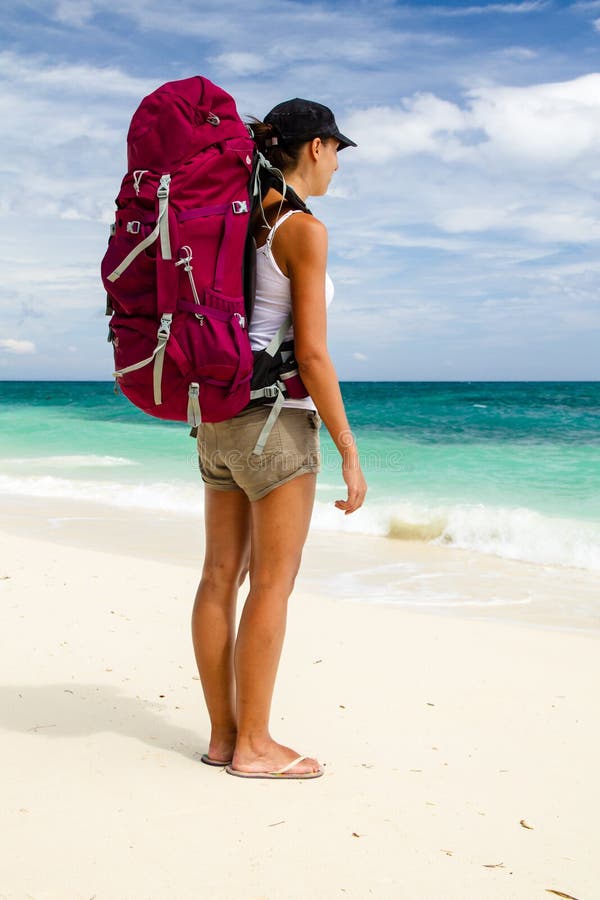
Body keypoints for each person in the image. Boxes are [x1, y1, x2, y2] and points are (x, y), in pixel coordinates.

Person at [191, 98, 367, 779]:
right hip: (276, 422)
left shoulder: (235, 222)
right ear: (317, 146)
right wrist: (349, 447)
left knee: (217, 577)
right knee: (272, 581)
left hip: (216, 419)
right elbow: (314, 355)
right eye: (336, 151)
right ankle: (256, 747)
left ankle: (223, 736)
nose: (337, 164)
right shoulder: (302, 229)